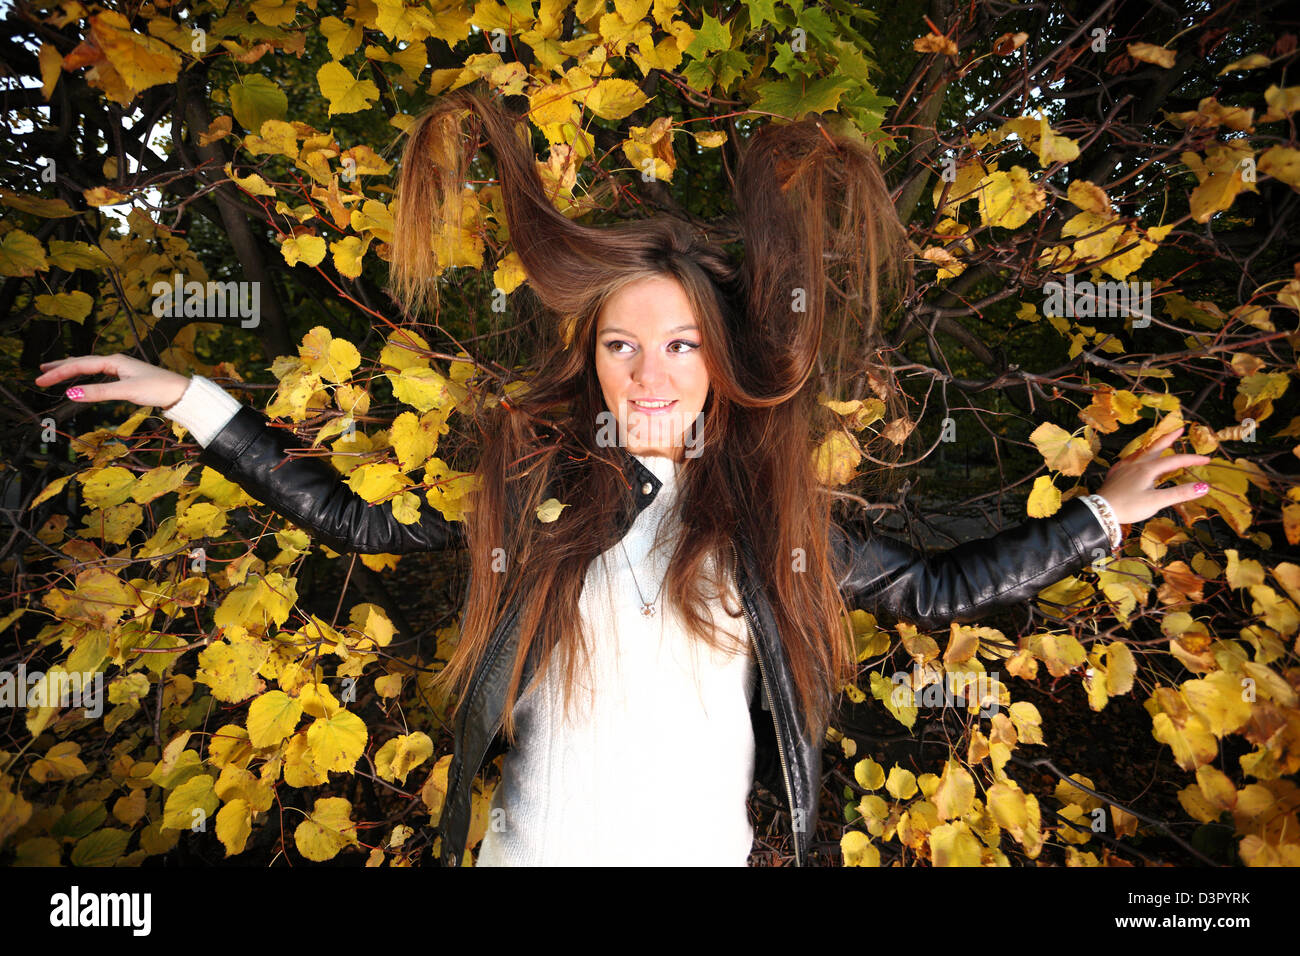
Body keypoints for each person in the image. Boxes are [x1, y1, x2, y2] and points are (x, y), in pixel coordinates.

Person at [34, 87, 1213, 866]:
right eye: (620, 344)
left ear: (721, 358)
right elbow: (350, 517)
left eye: (681, 343)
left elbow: (937, 591)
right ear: (588, 359)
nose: (649, 375)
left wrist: (1101, 511)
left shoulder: (766, 520)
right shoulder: (536, 496)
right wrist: (186, 396)